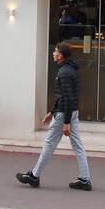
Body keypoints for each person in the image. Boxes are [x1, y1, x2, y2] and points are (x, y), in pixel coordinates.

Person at [17, 42, 91, 191]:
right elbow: (66, 97)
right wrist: (52, 112)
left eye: (55, 51)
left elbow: (67, 98)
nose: (53, 53)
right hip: (71, 111)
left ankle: (34, 176)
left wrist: (66, 122)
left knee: (49, 144)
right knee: (78, 146)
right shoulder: (71, 70)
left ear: (61, 55)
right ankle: (85, 179)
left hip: (65, 113)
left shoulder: (64, 73)